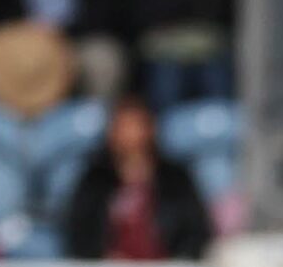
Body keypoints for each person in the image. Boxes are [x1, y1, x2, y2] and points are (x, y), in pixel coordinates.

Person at [61, 92, 214, 256]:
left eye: (136, 126)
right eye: (124, 127)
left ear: (150, 129)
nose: (131, 135)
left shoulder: (176, 178)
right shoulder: (95, 179)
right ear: (112, 132)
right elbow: (80, 233)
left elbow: (195, 231)